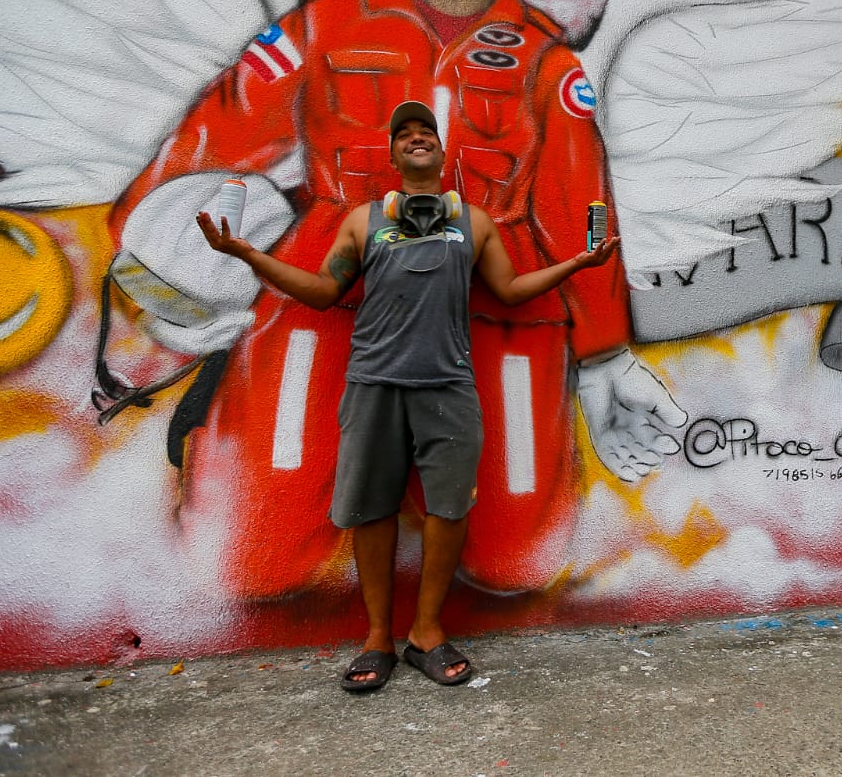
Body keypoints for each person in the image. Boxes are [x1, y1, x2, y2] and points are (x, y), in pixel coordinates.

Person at [107, 0, 683, 600]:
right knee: (244, 559)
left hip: (492, 283)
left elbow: (586, 208)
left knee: (517, 562)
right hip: (338, 264)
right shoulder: (324, 22)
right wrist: (153, 245)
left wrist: (603, 356)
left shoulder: (547, 61)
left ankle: (427, 482)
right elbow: (219, 125)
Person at [197, 99, 619, 691]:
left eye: (427, 132)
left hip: (449, 386)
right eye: (405, 134)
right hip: (373, 385)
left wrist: (577, 261)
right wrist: (246, 254)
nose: (417, 139)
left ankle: (425, 631)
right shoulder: (361, 221)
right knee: (372, 508)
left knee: (449, 508)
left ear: (442, 155)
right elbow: (321, 292)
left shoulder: (472, 223)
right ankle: (377, 640)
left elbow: (511, 289)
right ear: (393, 155)